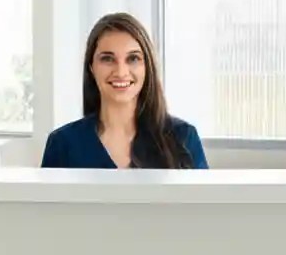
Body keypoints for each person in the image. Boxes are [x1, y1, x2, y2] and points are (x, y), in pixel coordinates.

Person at [41, 12, 208, 169]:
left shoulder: (184, 138)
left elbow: (203, 200)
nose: (121, 72)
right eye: (108, 59)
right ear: (91, 67)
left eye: (133, 58)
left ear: (147, 66)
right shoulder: (62, 144)